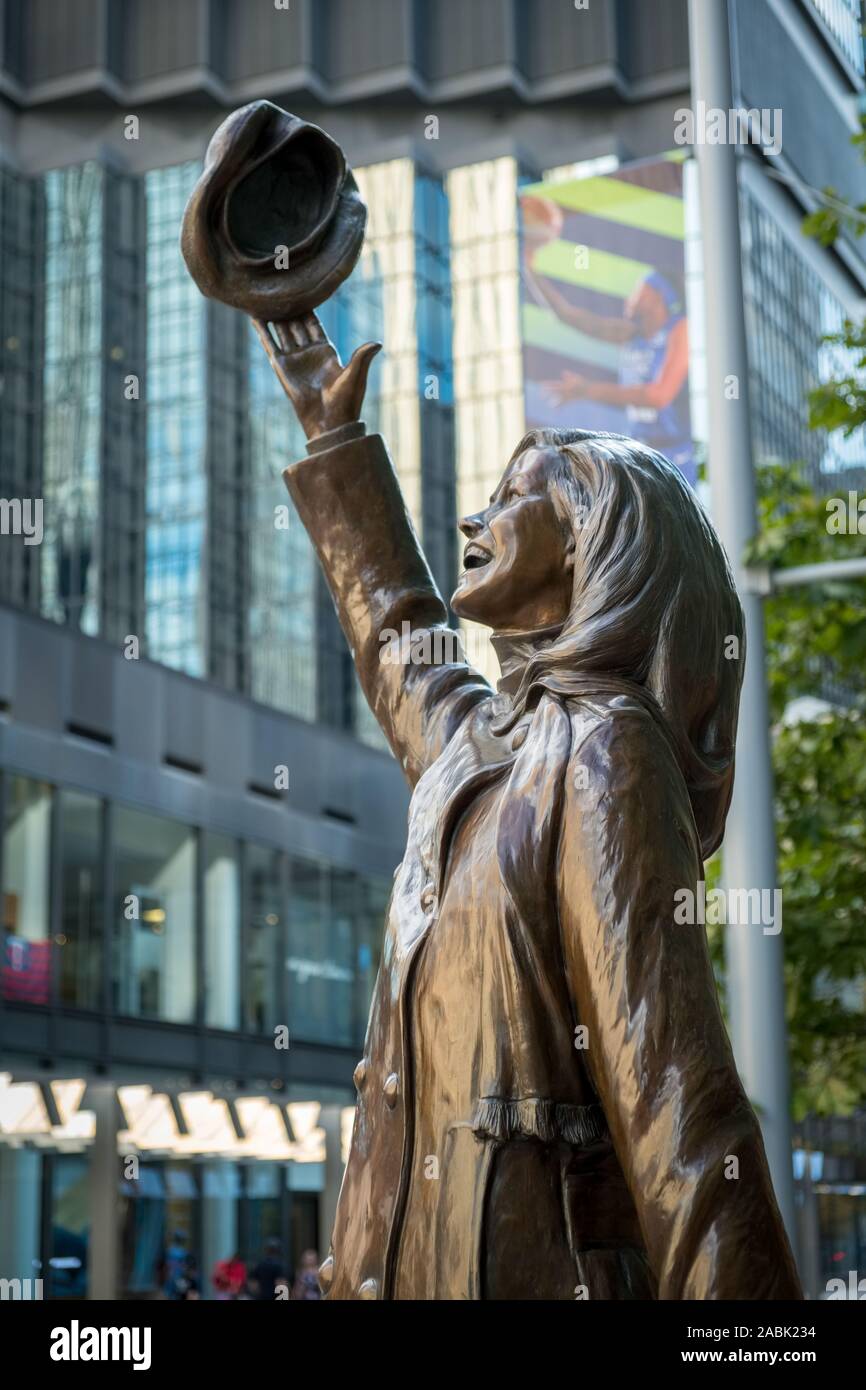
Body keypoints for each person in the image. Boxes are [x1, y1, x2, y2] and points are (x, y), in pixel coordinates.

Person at [253, 311, 802, 1300]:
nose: (474, 518)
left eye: (513, 499)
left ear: (595, 543)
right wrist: (331, 436)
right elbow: (394, 633)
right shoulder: (475, 747)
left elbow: (679, 1110)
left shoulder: (606, 755)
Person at [521, 195, 694, 482]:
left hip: (677, 456)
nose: (631, 297)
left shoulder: (679, 329)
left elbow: (658, 396)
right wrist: (530, 270)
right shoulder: (631, 334)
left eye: (639, 291)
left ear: (658, 297)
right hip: (642, 453)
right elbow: (568, 315)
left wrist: (587, 389)